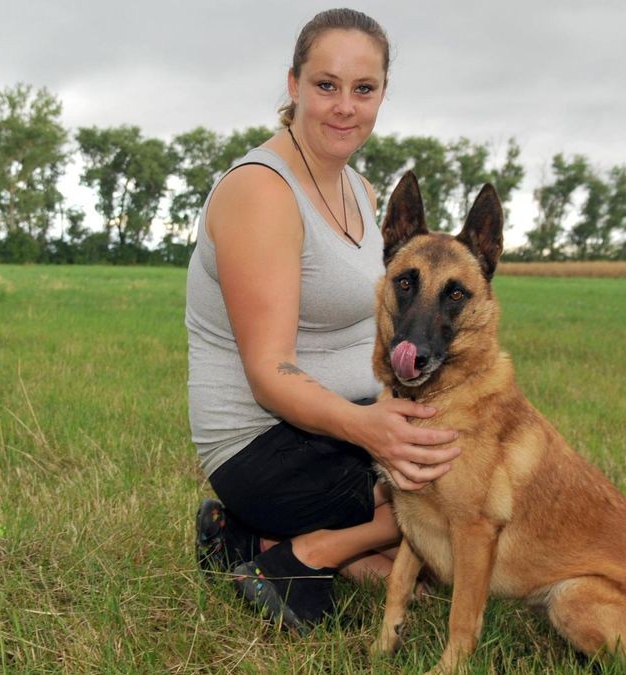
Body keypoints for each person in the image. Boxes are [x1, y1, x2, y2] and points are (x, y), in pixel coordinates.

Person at [185, 8, 461, 630]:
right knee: (443, 511)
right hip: (266, 444)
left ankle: (244, 540)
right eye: (325, 85)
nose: (344, 106)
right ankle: (300, 557)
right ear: (293, 85)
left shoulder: (360, 191)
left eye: (363, 89)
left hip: (340, 428)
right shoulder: (262, 192)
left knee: (446, 535)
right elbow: (269, 373)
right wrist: (374, 431)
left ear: (383, 94)